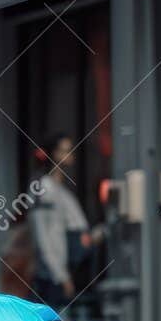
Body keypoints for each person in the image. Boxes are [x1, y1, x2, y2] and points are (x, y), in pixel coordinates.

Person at [27, 132, 94, 310]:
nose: (70, 155)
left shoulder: (60, 189)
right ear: (54, 154)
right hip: (53, 275)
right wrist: (61, 275)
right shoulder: (45, 187)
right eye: (65, 150)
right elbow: (45, 236)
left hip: (68, 268)